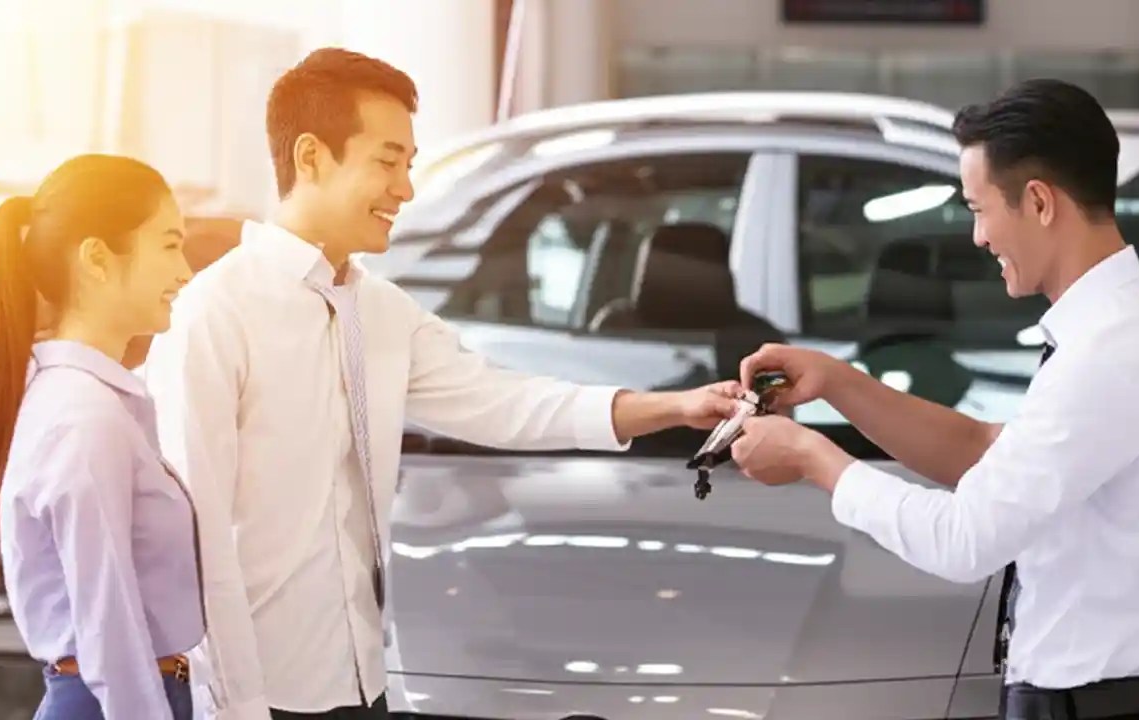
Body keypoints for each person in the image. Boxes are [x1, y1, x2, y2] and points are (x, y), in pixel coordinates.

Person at [140, 47, 742, 720]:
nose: (405, 188)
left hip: (361, 680)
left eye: (409, 164)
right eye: (387, 161)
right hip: (260, 696)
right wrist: (237, 707)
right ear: (311, 157)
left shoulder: (378, 311)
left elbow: (505, 404)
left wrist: (677, 407)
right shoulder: (216, 314)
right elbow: (199, 539)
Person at [729, 79, 1139, 720]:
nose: (976, 236)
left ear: (1038, 202)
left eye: (978, 208)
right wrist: (838, 381)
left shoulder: (1110, 353)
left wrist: (813, 458)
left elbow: (964, 539)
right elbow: (987, 452)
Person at [0, 154, 201, 719]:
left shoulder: (90, 402)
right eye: (170, 244)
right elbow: (109, 625)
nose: (185, 272)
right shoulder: (84, 418)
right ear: (98, 258)